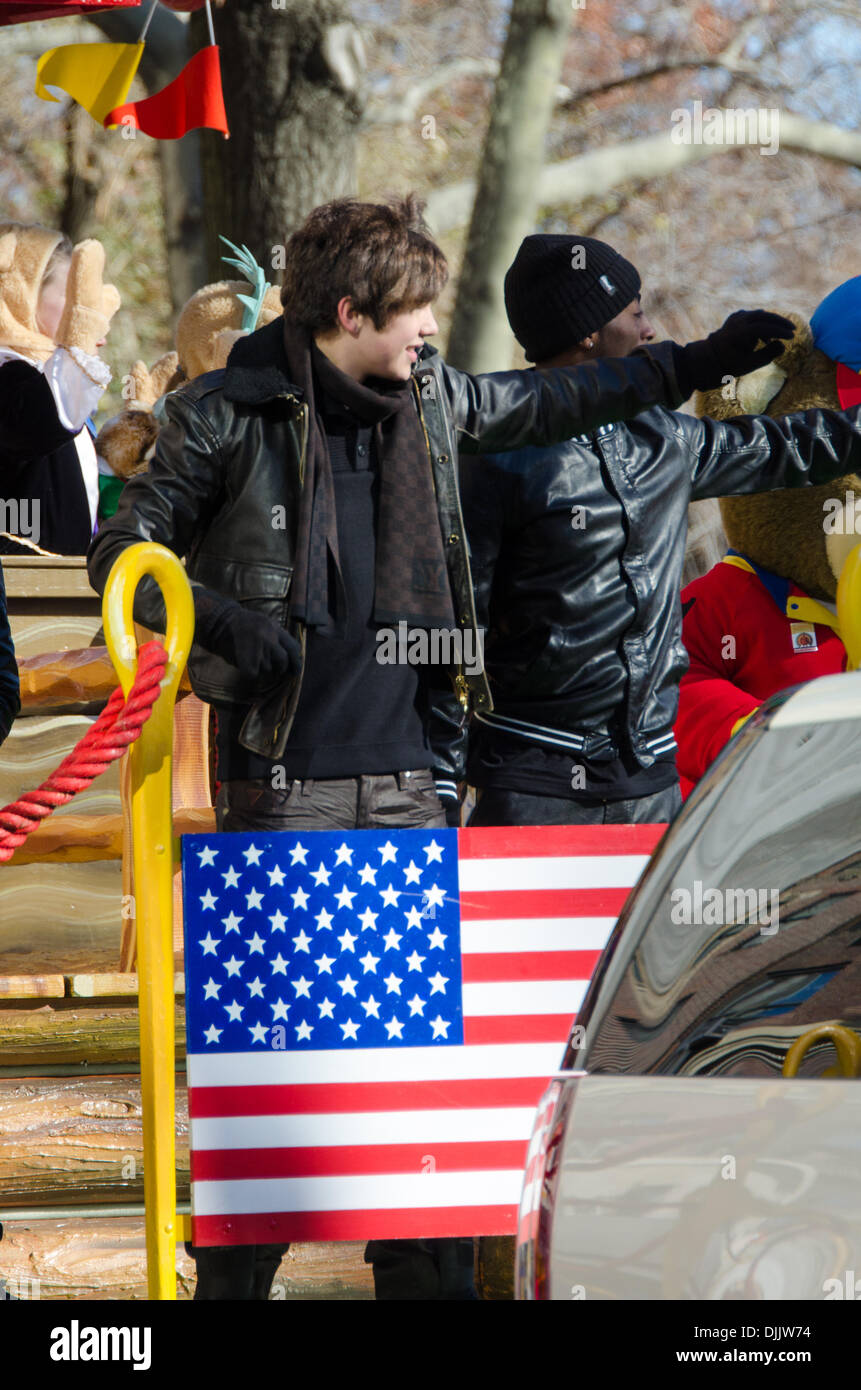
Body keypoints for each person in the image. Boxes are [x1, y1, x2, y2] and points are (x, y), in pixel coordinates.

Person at [87, 194, 791, 1299]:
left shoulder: (438, 401)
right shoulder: (229, 415)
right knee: (281, 1118)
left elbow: (573, 390)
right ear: (352, 308)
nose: (432, 328)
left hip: (415, 789)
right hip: (286, 790)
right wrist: (239, 632)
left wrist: (698, 357)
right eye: (415, 308)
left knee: (412, 1129)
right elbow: (123, 547)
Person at [452, 233, 861, 830]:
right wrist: (439, 786)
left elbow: (794, 448)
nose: (649, 329)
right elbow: (456, 629)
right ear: (588, 332)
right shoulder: (493, 454)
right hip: (533, 781)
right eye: (635, 311)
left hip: (649, 778)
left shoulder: (663, 439)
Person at [0, 223, 119, 555]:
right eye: (74, 297)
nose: (84, 310)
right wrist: (79, 340)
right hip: (20, 595)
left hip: (64, 592)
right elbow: (35, 422)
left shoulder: (43, 376)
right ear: (20, 295)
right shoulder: (9, 374)